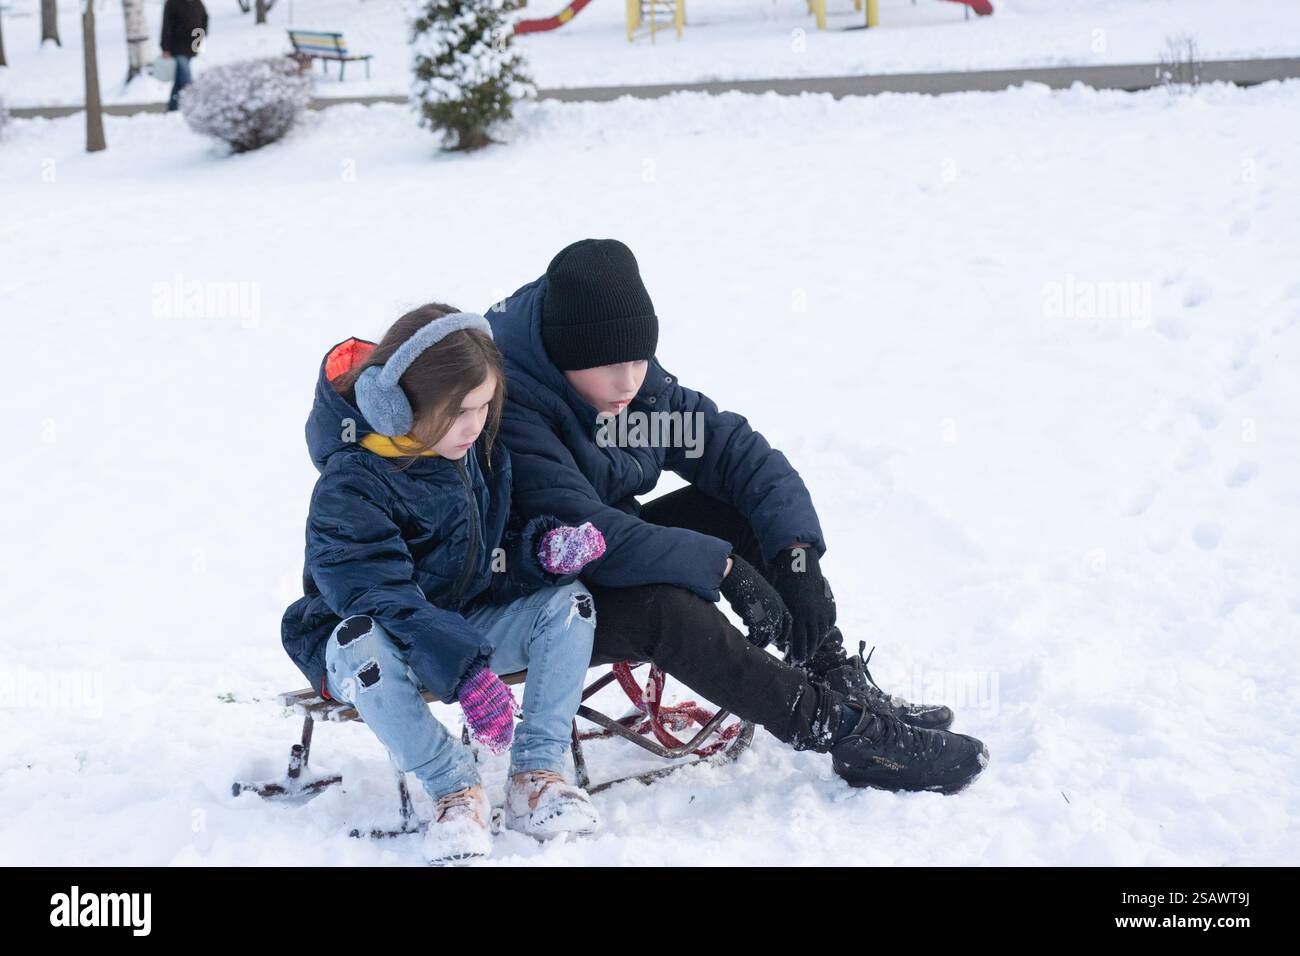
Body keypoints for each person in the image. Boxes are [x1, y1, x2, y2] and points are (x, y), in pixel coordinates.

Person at [485, 239, 990, 794]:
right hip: (537, 593)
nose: (629, 381)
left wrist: (797, 558)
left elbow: (733, 453)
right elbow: (587, 535)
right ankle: (844, 731)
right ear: (564, 355)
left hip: (605, 553)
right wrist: (723, 569)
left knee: (736, 510)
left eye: (639, 359)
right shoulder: (514, 407)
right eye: (611, 366)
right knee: (667, 610)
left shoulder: (627, 390)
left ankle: (832, 672)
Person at [281, 305, 608, 864]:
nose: (475, 423)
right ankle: (455, 791)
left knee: (570, 604)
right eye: (459, 410)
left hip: (454, 627)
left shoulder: (471, 454)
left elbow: (490, 556)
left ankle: (536, 775)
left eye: (483, 406)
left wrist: (540, 551)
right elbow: (379, 596)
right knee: (363, 644)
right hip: (372, 641)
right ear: (399, 405)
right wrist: (466, 668)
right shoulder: (350, 484)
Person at [160, 0, 208, 112]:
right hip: (176, 47)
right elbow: (166, 25)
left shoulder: (197, 3)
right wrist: (165, 48)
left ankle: (173, 107)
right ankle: (191, 106)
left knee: (179, 80)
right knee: (186, 79)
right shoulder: (172, 3)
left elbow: (204, 20)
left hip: (191, 47)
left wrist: (198, 41)